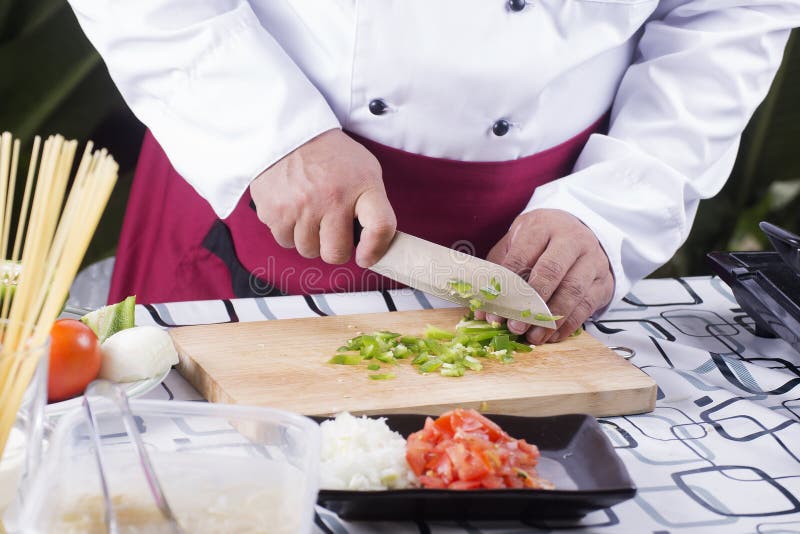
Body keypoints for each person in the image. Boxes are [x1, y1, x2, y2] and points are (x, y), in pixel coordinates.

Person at [68, 1, 799, 344]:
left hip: (545, 211)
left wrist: (619, 200)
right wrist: (267, 131)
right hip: (264, 167)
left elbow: (732, 10)